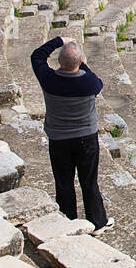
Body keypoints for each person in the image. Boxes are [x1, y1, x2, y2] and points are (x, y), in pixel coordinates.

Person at [30, 34, 110, 232]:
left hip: (58, 139)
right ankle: (98, 222)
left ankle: (68, 222)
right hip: (86, 139)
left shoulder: (48, 80)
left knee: (64, 182)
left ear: (58, 61)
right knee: (89, 181)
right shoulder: (90, 83)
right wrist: (81, 63)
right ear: (80, 62)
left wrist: (59, 40)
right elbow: (95, 79)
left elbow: (37, 56)